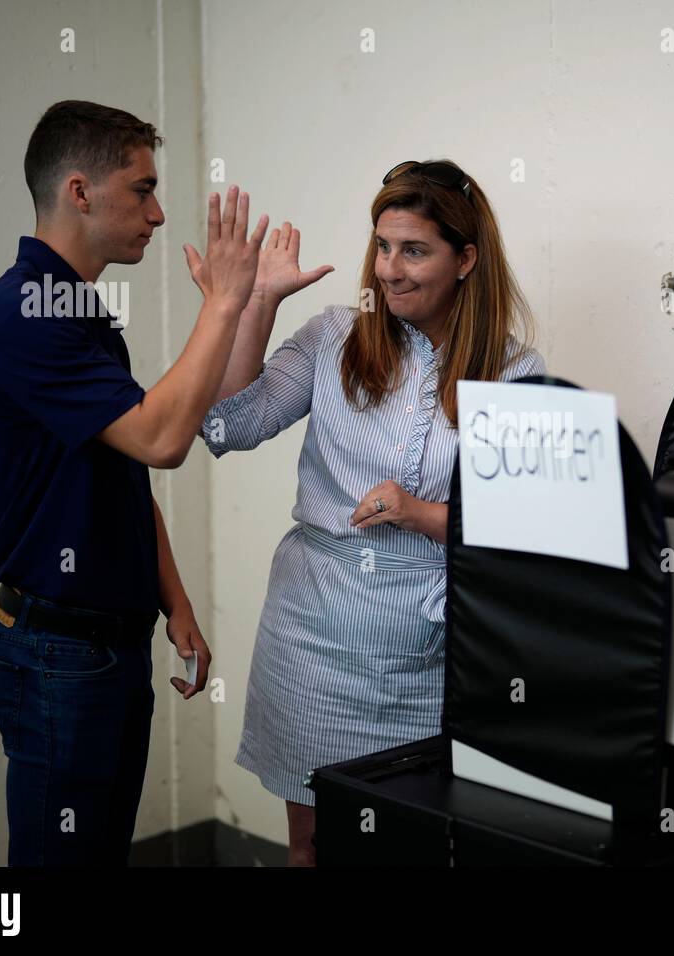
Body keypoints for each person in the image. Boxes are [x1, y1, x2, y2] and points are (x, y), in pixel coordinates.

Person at [0, 99, 326, 865]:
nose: (159, 215)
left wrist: (175, 599)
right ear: (80, 192)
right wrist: (225, 302)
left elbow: (132, 457)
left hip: (103, 647)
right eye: (142, 189)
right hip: (56, 652)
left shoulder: (74, 309)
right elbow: (163, 439)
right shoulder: (23, 316)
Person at [197, 159, 545, 866]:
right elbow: (227, 427)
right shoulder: (333, 337)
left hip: (430, 658)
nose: (389, 268)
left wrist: (422, 514)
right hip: (314, 641)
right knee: (314, 850)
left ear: (467, 259)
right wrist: (256, 302)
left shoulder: (516, 374)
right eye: (382, 246)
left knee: (415, 852)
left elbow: (523, 531)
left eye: (414, 250)